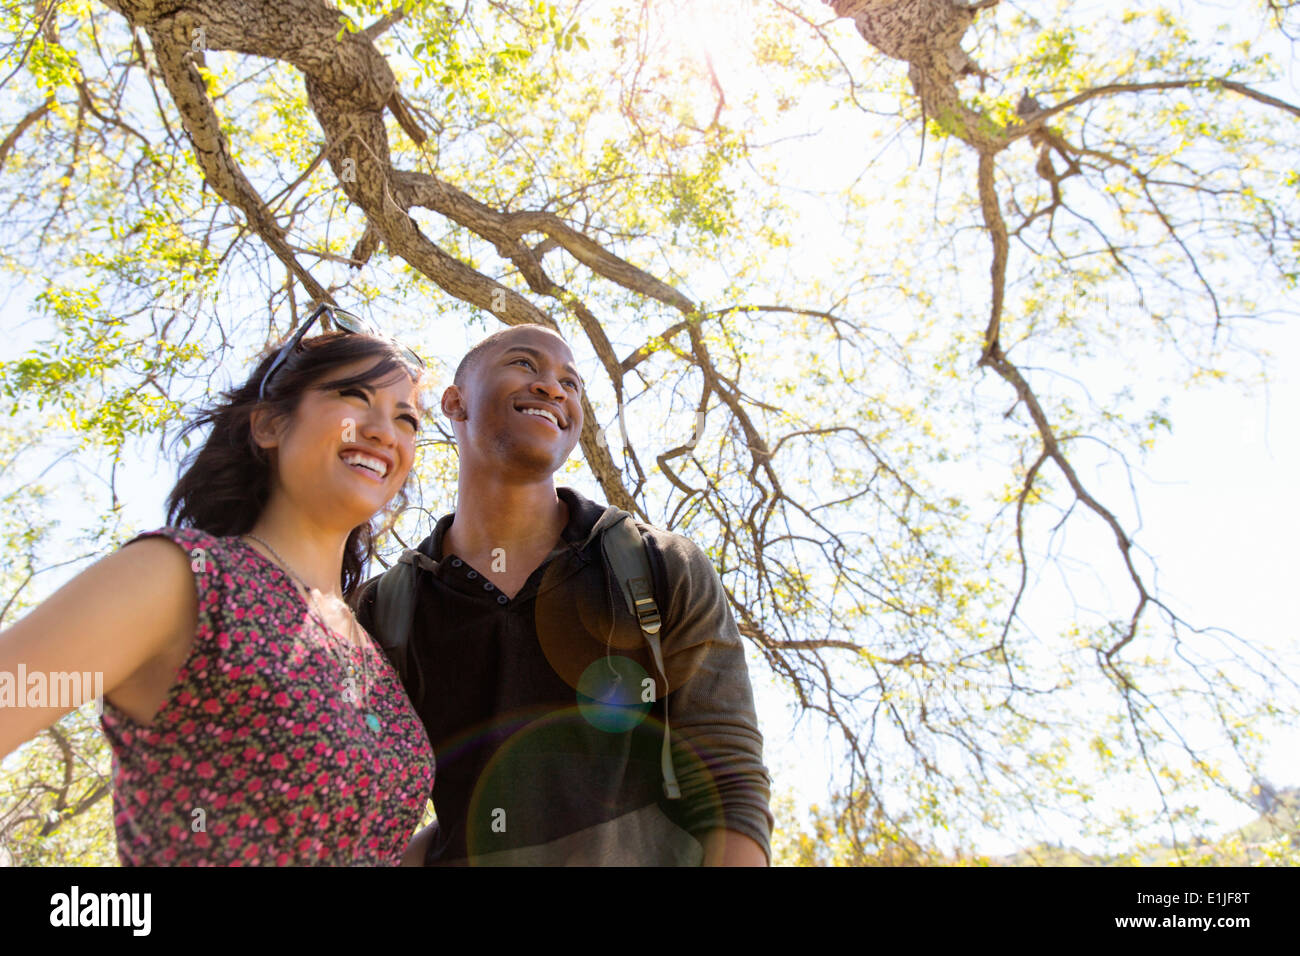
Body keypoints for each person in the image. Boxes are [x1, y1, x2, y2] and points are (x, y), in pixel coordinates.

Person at [0, 305, 435, 865]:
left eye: (407, 419)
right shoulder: (182, 579)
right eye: (354, 396)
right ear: (270, 424)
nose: (383, 431)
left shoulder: (371, 649)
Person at [351, 322, 773, 865]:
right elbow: (363, 813)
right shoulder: (379, 611)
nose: (554, 389)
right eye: (524, 365)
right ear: (455, 402)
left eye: (570, 384)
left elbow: (729, 778)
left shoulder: (661, 566)